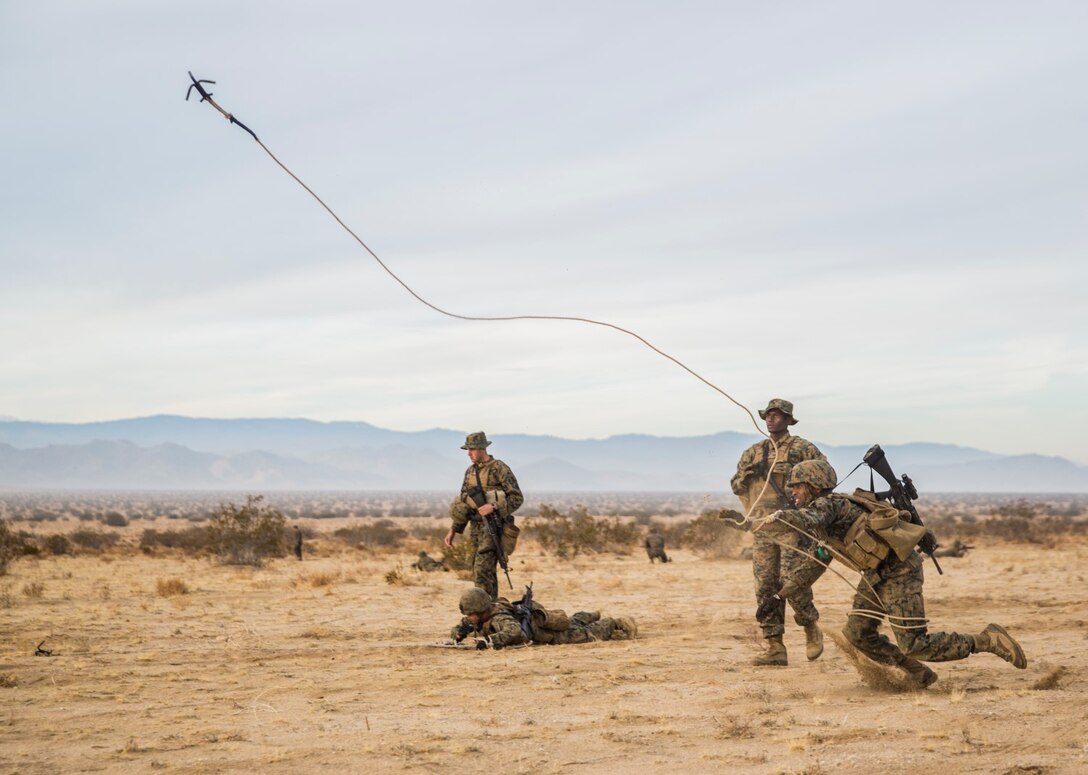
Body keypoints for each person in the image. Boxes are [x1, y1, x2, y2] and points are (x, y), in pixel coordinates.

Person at [757, 459, 1027, 688]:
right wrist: (780, 596)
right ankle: (917, 673)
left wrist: (773, 519)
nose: (793, 492)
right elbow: (815, 563)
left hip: (899, 570)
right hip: (876, 575)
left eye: (797, 486)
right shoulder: (825, 520)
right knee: (857, 633)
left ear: (814, 485)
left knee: (915, 643)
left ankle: (987, 640)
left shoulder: (830, 505)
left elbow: (806, 518)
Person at [730, 398, 828, 666]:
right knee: (765, 586)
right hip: (762, 527)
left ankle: (810, 627)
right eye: (768, 415)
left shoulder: (803, 448)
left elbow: (826, 478)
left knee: (792, 581)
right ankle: (775, 647)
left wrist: (796, 475)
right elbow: (736, 486)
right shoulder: (754, 452)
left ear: (788, 420)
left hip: (793, 526)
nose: (771, 419)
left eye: (777, 415)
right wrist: (748, 476)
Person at [444, 432, 524, 598]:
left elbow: (517, 498)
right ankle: (490, 606)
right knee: (477, 570)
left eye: (472, 449)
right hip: (475, 528)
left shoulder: (499, 469)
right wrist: (454, 529)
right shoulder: (470, 472)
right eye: (468, 449)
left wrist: (494, 507)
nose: (469, 453)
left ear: (482, 448)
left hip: (493, 527)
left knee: (482, 570)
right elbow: (464, 503)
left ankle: (486, 607)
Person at [450, 587, 637, 649]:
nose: (469, 618)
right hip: (540, 625)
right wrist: (458, 633)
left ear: (482, 610)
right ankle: (590, 615)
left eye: (471, 614)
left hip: (547, 634)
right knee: (572, 622)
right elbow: (460, 627)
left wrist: (488, 641)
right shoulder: (478, 617)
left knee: (586, 634)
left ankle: (615, 622)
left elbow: (513, 631)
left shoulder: (499, 617)